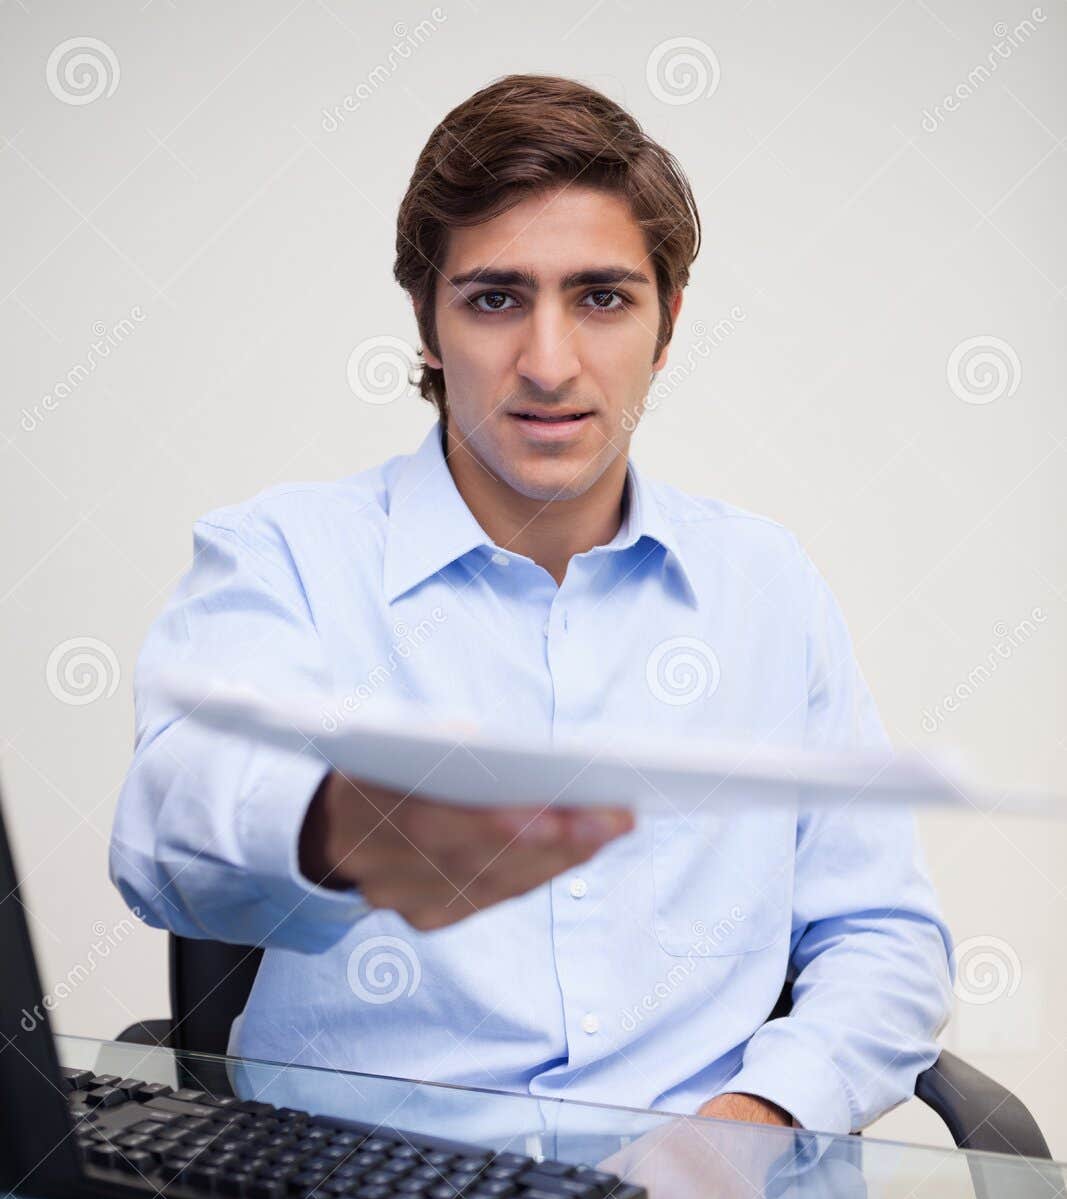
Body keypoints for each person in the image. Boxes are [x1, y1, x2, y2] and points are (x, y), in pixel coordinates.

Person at [109, 73, 953, 1135]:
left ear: (665, 322)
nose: (548, 365)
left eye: (601, 298)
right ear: (426, 323)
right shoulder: (283, 555)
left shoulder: (763, 586)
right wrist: (341, 822)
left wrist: (761, 1115)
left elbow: (881, 932)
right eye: (494, 297)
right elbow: (164, 833)